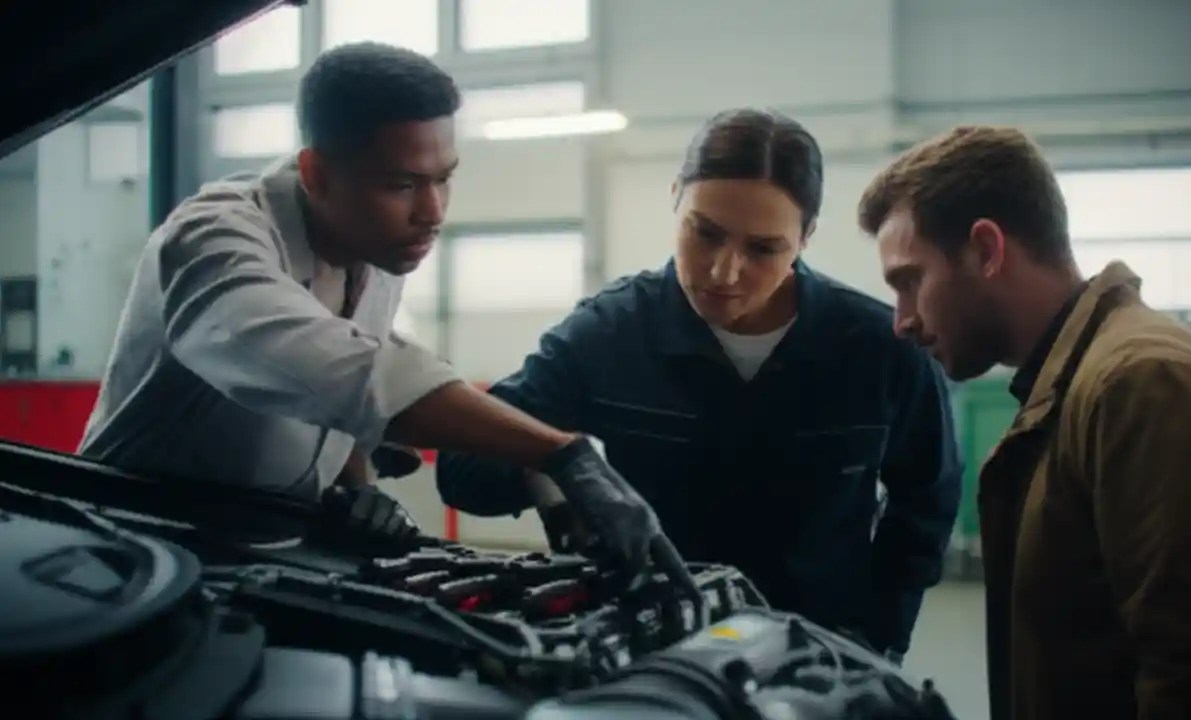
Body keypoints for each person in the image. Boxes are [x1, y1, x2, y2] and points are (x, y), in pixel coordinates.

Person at [78, 42, 688, 587]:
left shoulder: (375, 249)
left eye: (443, 179)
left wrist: (355, 488)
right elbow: (319, 364)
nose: (433, 212)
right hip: (127, 559)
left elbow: (345, 378)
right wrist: (562, 455)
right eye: (402, 185)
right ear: (316, 173)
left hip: (263, 558)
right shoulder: (213, 238)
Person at [437, 107, 963, 663]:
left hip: (817, 659)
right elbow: (465, 471)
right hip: (651, 658)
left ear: (805, 237)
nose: (723, 272)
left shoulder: (880, 349)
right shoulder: (607, 334)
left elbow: (926, 502)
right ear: (675, 199)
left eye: (763, 249)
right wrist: (558, 470)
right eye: (705, 233)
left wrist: (878, 639)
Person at [860, 125, 1191, 719]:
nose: (901, 320)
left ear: (986, 250)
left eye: (910, 281)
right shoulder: (1076, 387)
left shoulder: (1145, 385)